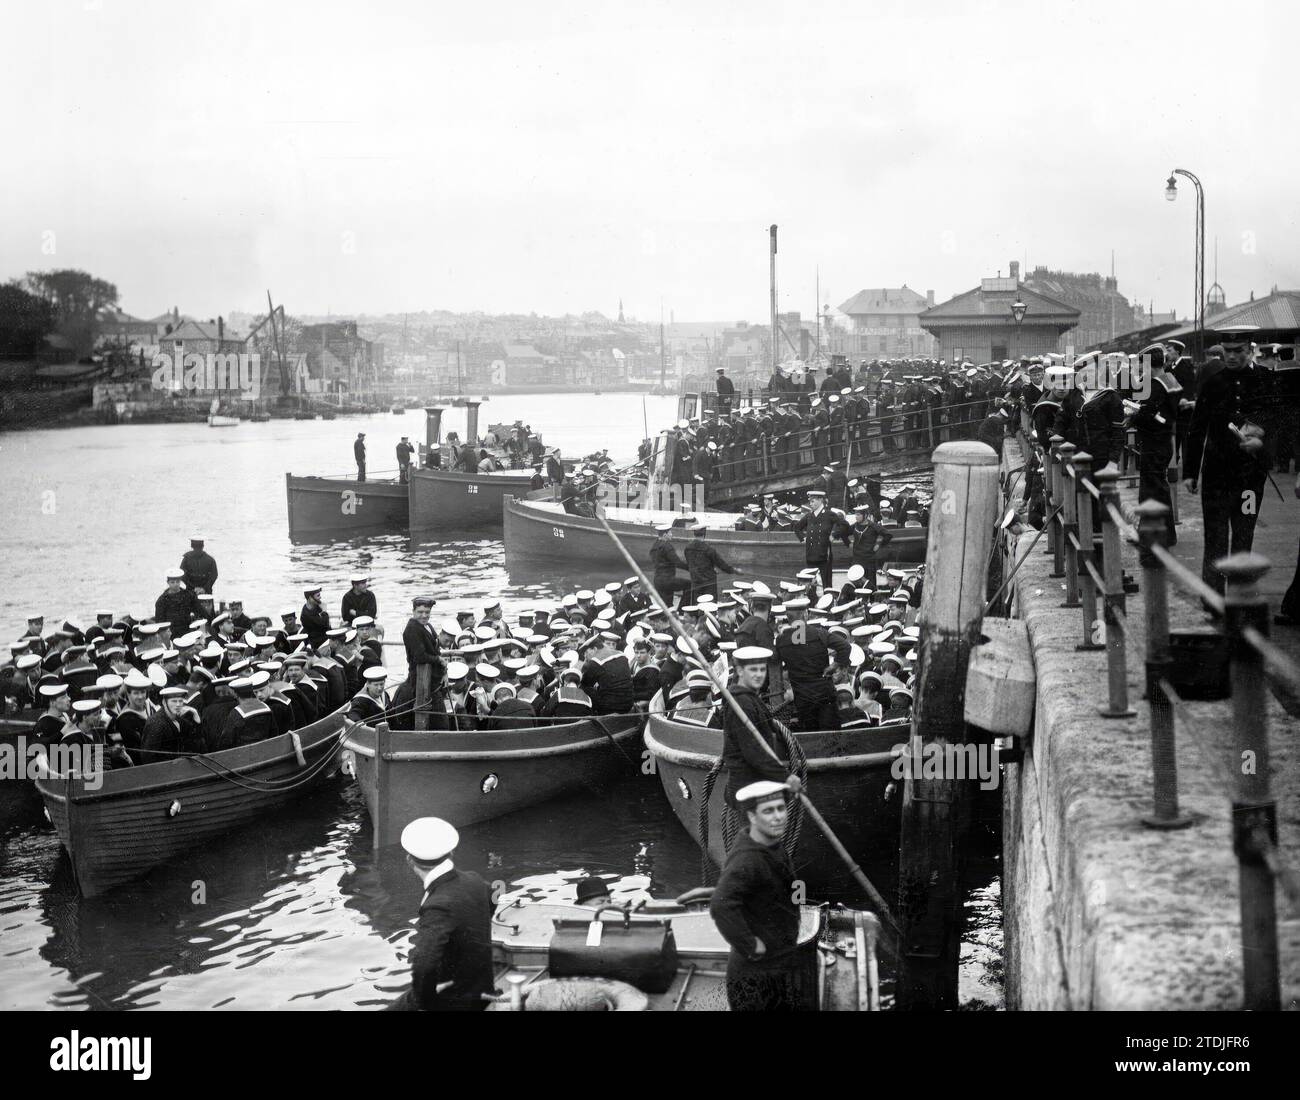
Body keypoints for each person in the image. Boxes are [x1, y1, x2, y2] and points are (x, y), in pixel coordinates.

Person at [709, 780, 811, 1011]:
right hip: (755, 975)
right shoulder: (747, 860)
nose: (778, 817)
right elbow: (721, 905)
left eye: (781, 808)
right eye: (768, 811)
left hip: (780, 960)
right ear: (753, 817)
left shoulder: (772, 844)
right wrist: (751, 945)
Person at [1182, 326, 1270, 594]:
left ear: (1250, 350)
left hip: (1249, 480)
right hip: (1216, 479)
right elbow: (1197, 429)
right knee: (1216, 538)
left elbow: (1280, 424)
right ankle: (1213, 596)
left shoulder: (1267, 381)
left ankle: (1239, 596)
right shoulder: (1213, 383)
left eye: (1238, 351)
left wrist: (1263, 444)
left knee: (1244, 534)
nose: (1231, 357)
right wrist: (1190, 473)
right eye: (1227, 351)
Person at [389, 818, 494, 1012]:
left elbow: (425, 964)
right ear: (451, 853)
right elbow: (492, 901)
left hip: (457, 1000)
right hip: (482, 985)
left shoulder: (437, 906)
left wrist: (424, 1003)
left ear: (409, 860)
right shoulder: (474, 879)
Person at [775, 598, 849, 731]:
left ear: (787, 617)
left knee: (811, 736)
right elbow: (845, 646)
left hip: (802, 697)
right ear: (805, 614)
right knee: (831, 736)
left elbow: (778, 665)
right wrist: (835, 665)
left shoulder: (781, 640)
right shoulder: (819, 633)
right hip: (824, 693)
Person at [793, 490, 845, 589]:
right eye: (810, 501)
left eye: (813, 501)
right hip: (811, 554)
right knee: (810, 582)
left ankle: (828, 600)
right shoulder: (809, 516)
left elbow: (843, 525)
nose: (810, 504)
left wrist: (834, 535)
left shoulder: (829, 514)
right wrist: (802, 538)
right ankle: (812, 601)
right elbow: (797, 527)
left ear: (820, 500)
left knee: (826, 582)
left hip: (824, 555)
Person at [683, 524, 736, 603]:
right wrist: (734, 570)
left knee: (696, 603)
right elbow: (721, 564)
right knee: (710, 604)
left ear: (694, 534)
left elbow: (690, 563)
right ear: (704, 533)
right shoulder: (709, 549)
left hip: (695, 581)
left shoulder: (687, 548)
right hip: (709, 583)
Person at [649, 523, 691, 608]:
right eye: (670, 533)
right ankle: (681, 610)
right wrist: (692, 568)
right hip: (668, 580)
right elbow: (677, 563)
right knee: (689, 585)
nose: (672, 535)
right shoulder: (667, 546)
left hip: (657, 581)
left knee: (667, 606)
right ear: (665, 535)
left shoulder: (654, 546)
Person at [155, 569, 201, 636]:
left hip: (187, 630)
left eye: (177, 581)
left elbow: (198, 611)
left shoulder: (188, 595)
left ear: (180, 581)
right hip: (171, 632)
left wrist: (195, 624)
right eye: (172, 582)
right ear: (168, 582)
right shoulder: (162, 600)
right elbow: (159, 621)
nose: (175, 584)